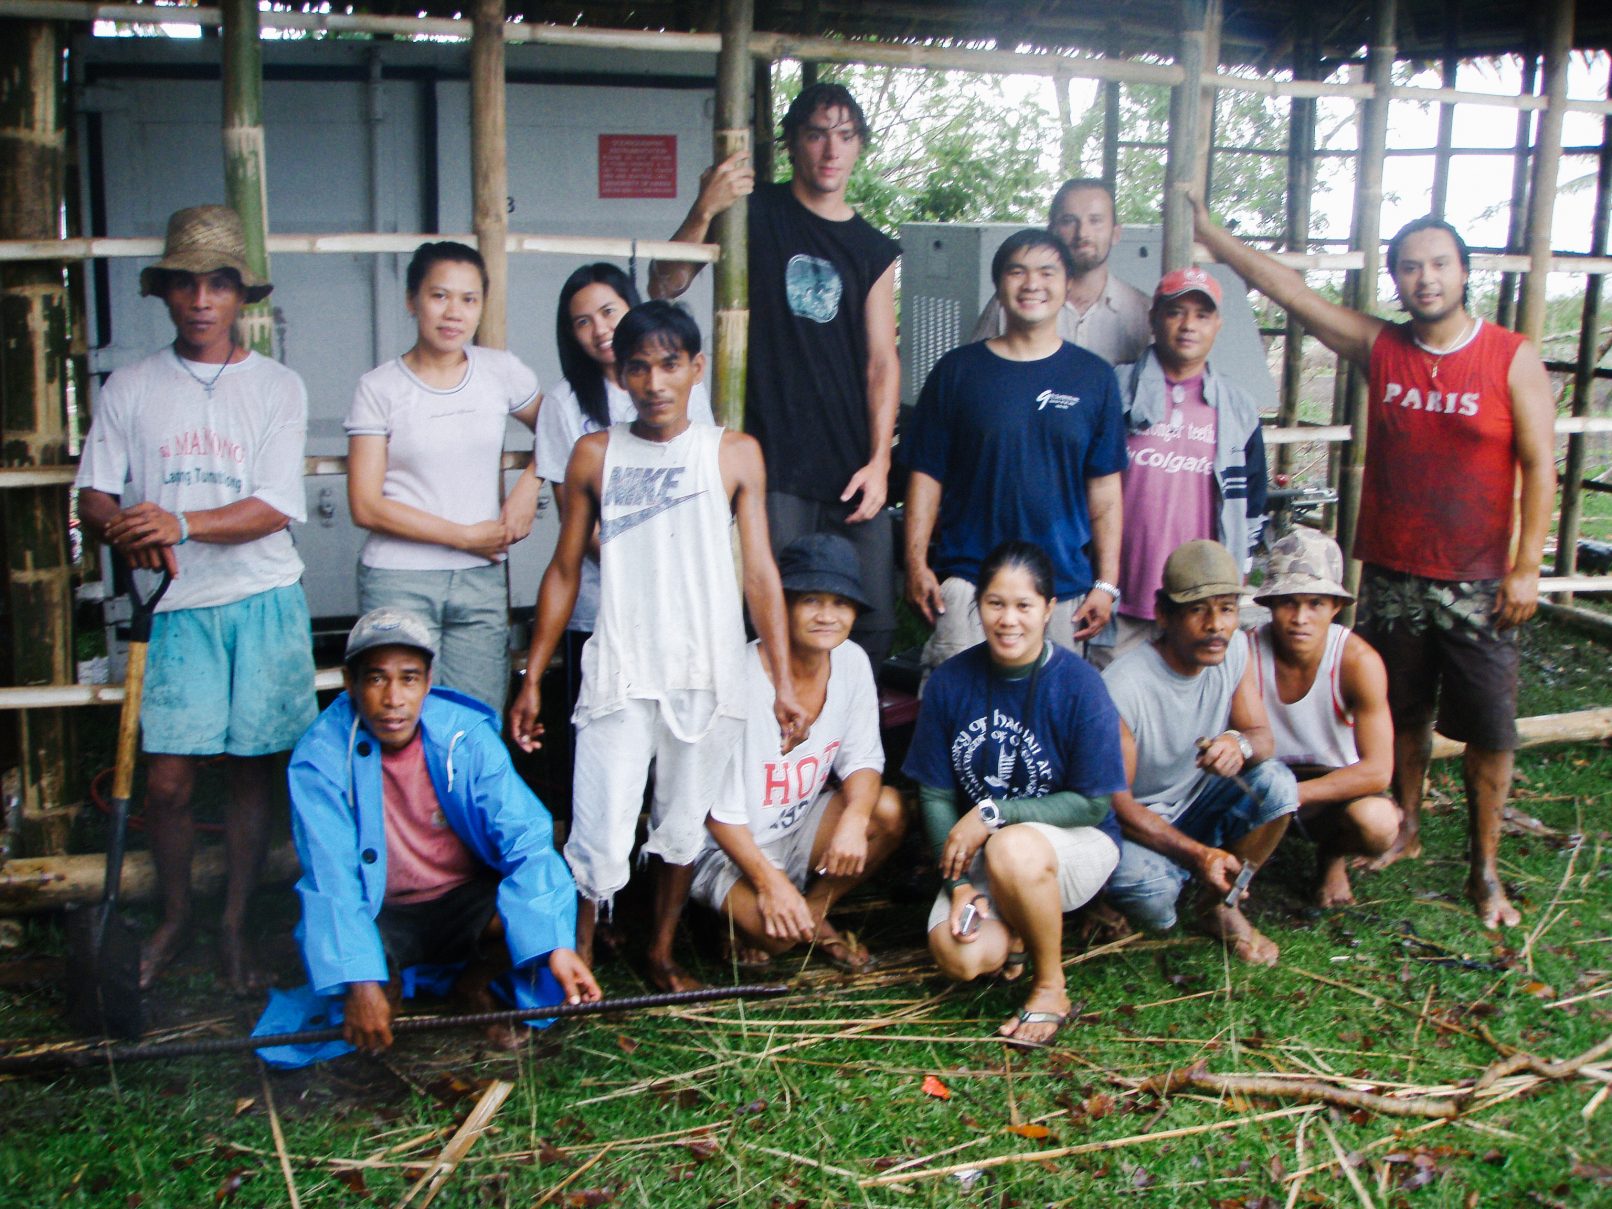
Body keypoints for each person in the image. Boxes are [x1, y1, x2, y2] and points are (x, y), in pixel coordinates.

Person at [1192, 200, 1557, 929]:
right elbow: (1294, 295)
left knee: (1490, 727)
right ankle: (1406, 826)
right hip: (1393, 569)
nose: (1426, 279)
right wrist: (1213, 236)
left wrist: (1525, 566)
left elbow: (1540, 461)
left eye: (1440, 264)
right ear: (1396, 278)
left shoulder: (1510, 356)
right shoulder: (1383, 347)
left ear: (1464, 273)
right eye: (1411, 267)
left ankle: (1484, 867)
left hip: (1480, 576)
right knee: (1405, 707)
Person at [510, 301, 806, 992]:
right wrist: (532, 676)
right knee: (600, 825)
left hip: (709, 667)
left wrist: (783, 680)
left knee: (681, 822)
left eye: (670, 364)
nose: (654, 382)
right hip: (620, 666)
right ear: (620, 375)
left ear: (696, 368)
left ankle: (661, 955)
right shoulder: (596, 453)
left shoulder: (733, 451)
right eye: (638, 367)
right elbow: (563, 569)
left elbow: (760, 571)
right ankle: (579, 961)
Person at [75, 204, 318, 993]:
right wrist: (125, 529)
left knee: (251, 772)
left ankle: (234, 924)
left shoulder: (278, 386)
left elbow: (274, 506)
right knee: (170, 782)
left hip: (261, 597)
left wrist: (178, 521)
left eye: (218, 284)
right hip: (172, 604)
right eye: (185, 284)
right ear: (164, 293)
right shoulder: (131, 385)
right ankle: (176, 917)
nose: (201, 299)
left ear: (241, 295)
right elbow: (94, 495)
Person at [648, 82, 902, 668]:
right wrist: (705, 207)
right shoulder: (753, 211)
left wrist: (880, 461)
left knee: (871, 627)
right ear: (792, 143)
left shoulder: (872, 247)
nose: (831, 150)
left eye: (845, 136)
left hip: (850, 461)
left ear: (859, 146)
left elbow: (881, 361)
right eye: (816, 135)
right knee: (769, 617)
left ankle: (848, 727)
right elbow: (666, 283)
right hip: (770, 459)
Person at [286, 609, 599, 1054]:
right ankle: (385, 982)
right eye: (376, 679)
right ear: (349, 683)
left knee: (524, 918)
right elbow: (330, 876)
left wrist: (553, 943)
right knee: (361, 1011)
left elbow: (526, 840)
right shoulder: (320, 756)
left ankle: (474, 983)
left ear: (428, 682)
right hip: (380, 910)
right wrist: (360, 981)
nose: (393, 698)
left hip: (462, 901)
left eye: (409, 679)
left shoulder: (464, 736)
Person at [903, 542, 1126, 1047]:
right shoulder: (949, 682)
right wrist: (959, 884)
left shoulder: (1081, 685)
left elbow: (1094, 804)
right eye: (995, 604)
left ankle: (1050, 986)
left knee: (1012, 845)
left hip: (1075, 842)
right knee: (963, 957)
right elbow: (934, 794)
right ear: (977, 605)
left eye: (1024, 605)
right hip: (988, 854)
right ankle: (1019, 934)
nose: (1008, 620)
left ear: (1048, 609)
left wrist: (994, 812)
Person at [903, 228, 1126, 674]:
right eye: (1017, 271)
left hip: (1060, 591)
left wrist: (1106, 583)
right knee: (957, 713)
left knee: (1053, 714)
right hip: (968, 585)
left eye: (1047, 272)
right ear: (999, 284)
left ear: (1067, 284)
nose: (1032, 284)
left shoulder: (1094, 378)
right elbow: (926, 476)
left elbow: (1105, 495)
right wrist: (915, 562)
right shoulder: (957, 371)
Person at [694, 533, 907, 971]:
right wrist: (768, 882)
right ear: (781, 605)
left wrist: (854, 820)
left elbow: (863, 759)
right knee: (778, 940)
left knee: (886, 811)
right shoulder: (739, 677)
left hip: (794, 828)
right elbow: (716, 815)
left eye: (841, 602)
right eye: (811, 600)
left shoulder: (851, 661)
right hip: (723, 846)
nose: (827, 616)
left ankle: (813, 912)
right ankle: (733, 915)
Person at [346, 241, 542, 713]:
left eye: (469, 299)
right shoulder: (379, 387)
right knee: (400, 719)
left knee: (477, 719)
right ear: (412, 300)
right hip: (398, 578)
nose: (454, 312)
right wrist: (464, 536)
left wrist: (529, 486)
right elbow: (365, 506)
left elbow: (563, 431)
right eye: (439, 296)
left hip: (480, 580)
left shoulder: (500, 371)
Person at [531, 263, 716, 767]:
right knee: (605, 751)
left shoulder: (681, 386)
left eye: (608, 311)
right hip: (601, 606)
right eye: (582, 321)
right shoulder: (564, 404)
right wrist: (643, 569)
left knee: (677, 751)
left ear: (632, 307)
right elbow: (577, 520)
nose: (600, 329)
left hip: (681, 605)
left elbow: (698, 486)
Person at [1102, 540, 1300, 965]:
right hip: (1139, 826)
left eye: (1227, 609)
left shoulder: (1234, 650)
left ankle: (1220, 905)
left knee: (1278, 785)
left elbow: (1262, 738)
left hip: (1197, 805)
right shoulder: (1125, 686)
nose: (1216, 625)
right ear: (1163, 613)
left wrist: (1237, 744)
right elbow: (1117, 805)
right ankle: (1121, 893)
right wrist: (1198, 855)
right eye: (1198, 610)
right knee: (1155, 898)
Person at [1095, 266, 1269, 668]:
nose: (1189, 325)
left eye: (1202, 315)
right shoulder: (1114, 390)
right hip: (1120, 598)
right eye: (1175, 312)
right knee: (1112, 702)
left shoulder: (1237, 408)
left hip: (1198, 605)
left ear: (1217, 325)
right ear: (1153, 318)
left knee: (1191, 703)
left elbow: (1254, 500)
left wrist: (1238, 573)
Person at [1251, 529, 1399, 908]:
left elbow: (1378, 771)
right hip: (1261, 776)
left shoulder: (1357, 662)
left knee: (1379, 824)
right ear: (1270, 604)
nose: (1300, 618)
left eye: (1315, 603)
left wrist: (1295, 796)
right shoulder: (1246, 652)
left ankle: (1332, 856)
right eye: (1288, 602)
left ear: (1335, 606)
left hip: (1335, 782)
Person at [968, 178, 1150, 365]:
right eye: (1068, 221)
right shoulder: (1013, 303)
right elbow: (973, 370)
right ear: (1051, 231)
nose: (1082, 233)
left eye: (1095, 221)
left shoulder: (1143, 312)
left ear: (1116, 233)